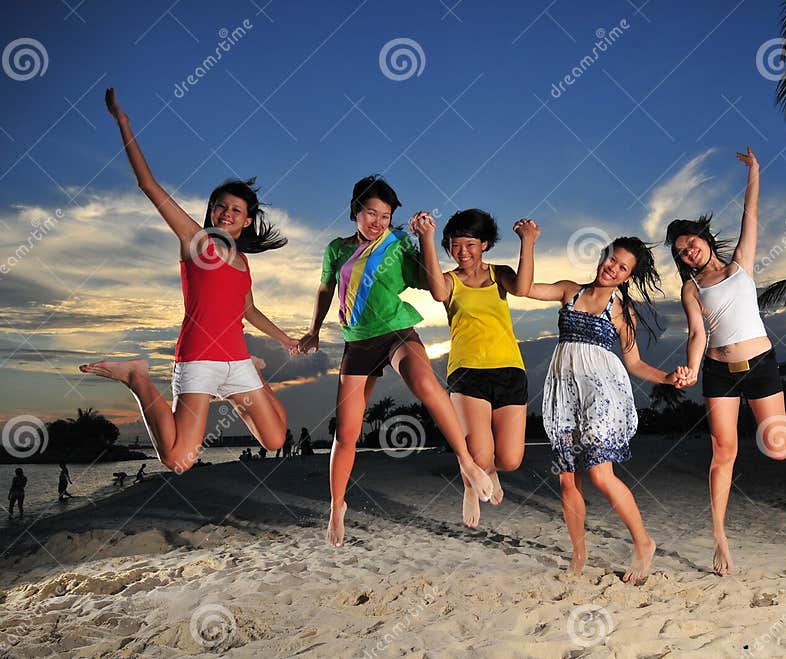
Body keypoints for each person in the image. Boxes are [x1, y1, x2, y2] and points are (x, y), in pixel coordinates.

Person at [79, 88, 296, 473]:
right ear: (211, 211)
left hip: (238, 361)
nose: (227, 213)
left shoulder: (244, 263)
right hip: (198, 358)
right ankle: (137, 376)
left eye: (236, 209)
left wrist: (284, 339)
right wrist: (124, 123)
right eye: (221, 206)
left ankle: (255, 373)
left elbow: (248, 310)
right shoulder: (196, 242)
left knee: (276, 439)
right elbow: (149, 185)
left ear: (247, 220)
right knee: (179, 460)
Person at [298, 175, 495, 547]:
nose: (378, 222)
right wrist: (313, 330)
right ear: (355, 211)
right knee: (347, 434)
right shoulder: (336, 250)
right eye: (371, 213)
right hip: (357, 341)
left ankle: (467, 464)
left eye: (386, 216)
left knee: (426, 384)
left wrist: (424, 238)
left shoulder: (396, 244)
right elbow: (326, 289)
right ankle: (337, 507)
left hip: (397, 331)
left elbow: (428, 280)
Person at [665, 147, 786, 576]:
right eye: (681, 252)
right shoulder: (691, 289)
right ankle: (719, 536)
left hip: (759, 365)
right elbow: (698, 335)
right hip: (719, 374)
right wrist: (693, 369)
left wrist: (755, 170)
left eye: (691, 243)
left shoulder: (740, 265)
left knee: (779, 448)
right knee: (724, 451)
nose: (689, 252)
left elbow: (750, 215)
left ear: (704, 237)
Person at [527, 236, 689, 582]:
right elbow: (524, 287)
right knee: (567, 480)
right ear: (604, 256)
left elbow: (635, 362)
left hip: (602, 391)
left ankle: (643, 542)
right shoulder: (570, 291)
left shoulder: (619, 310)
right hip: (565, 392)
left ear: (628, 276)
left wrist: (668, 377)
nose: (612, 268)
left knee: (601, 474)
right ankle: (579, 553)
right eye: (611, 260)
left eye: (622, 267)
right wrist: (528, 242)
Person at [411, 209, 539, 528]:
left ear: (484, 244)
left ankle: (488, 472)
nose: (462, 252)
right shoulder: (451, 281)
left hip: (510, 370)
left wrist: (528, 241)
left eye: (470, 244)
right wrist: (426, 236)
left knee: (509, 460)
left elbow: (523, 288)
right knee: (479, 458)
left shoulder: (500, 275)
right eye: (455, 245)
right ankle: (469, 483)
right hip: (468, 373)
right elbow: (437, 291)